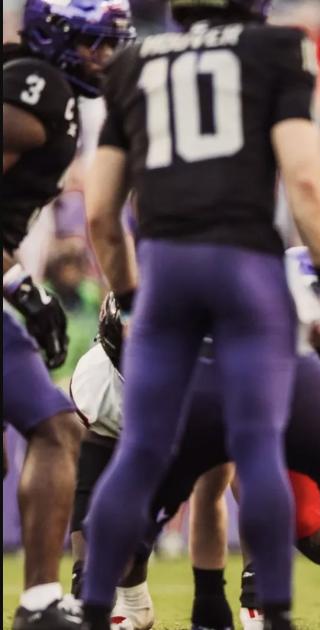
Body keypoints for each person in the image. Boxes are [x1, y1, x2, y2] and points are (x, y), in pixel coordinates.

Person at [80, 0, 320, 626]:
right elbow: (305, 177)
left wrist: (126, 296)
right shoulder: (276, 48)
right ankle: (273, 613)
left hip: (165, 267)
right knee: (255, 446)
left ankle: (94, 610)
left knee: (141, 452)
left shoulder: (132, 62)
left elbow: (100, 212)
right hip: (243, 264)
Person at [70, 285, 320, 630]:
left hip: (271, 393)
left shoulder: (229, 348)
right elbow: (91, 480)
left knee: (305, 519)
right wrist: (81, 578)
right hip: (204, 409)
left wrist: (249, 586)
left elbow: (232, 474)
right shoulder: (100, 385)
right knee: (123, 515)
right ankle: (133, 604)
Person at [3, 1, 133, 627]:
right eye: (94, 44)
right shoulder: (38, 88)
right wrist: (17, 283)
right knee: (57, 430)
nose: (104, 58)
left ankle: (40, 604)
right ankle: (39, 605)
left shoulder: (46, 89)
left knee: (44, 436)